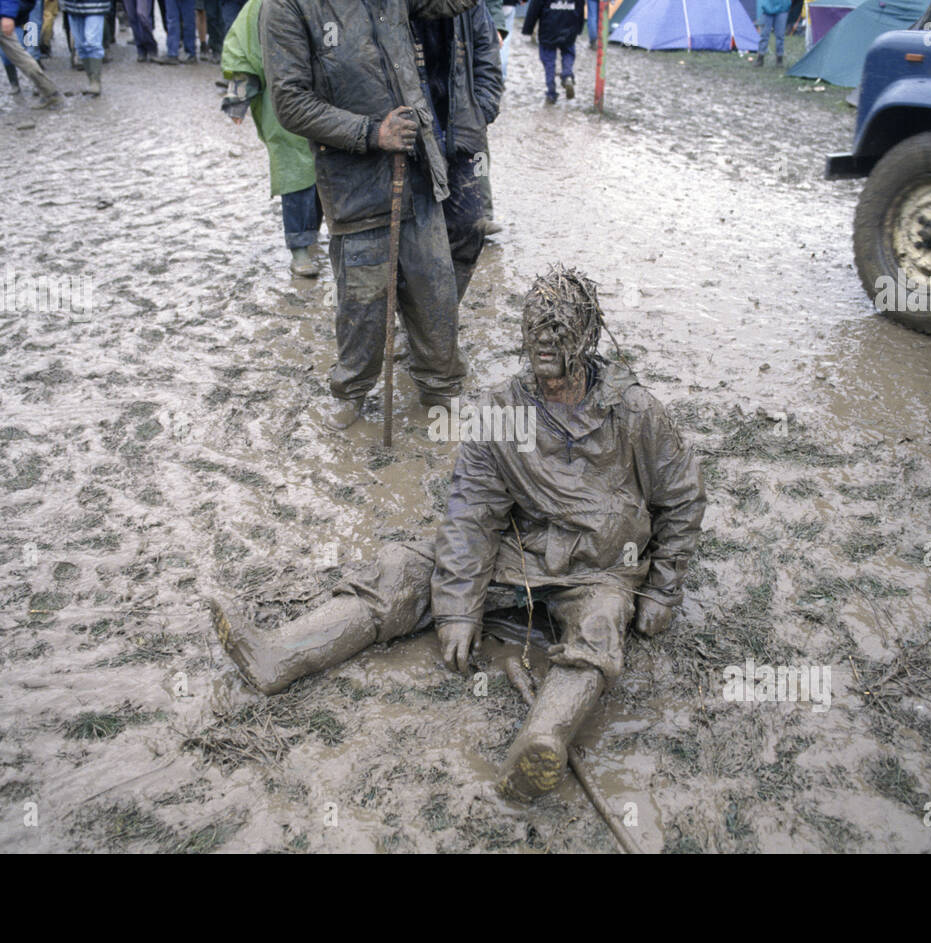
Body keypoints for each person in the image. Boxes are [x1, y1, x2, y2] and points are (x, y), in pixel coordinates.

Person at [210, 265, 706, 801]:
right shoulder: (499, 411)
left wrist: (661, 589)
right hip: (516, 550)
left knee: (601, 627)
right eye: (536, 324)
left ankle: (542, 741)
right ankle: (282, 653)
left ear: (587, 334)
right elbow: (471, 513)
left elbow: (681, 499)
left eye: (560, 327)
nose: (545, 337)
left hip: (598, 569)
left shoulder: (635, 411)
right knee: (404, 569)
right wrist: (457, 608)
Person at [264, 0, 478, 430]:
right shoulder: (286, 8)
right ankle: (351, 393)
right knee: (363, 306)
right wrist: (370, 133)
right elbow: (290, 102)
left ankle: (439, 388)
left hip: (418, 172)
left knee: (434, 291)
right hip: (354, 185)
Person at [221, 0, 324, 276]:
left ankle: (317, 234)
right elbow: (242, 45)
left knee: (328, 172)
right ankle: (300, 248)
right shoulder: (262, 4)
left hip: (330, 99)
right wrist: (238, 97)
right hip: (284, 101)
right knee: (296, 173)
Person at [411, 0, 501, 300]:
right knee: (414, 233)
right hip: (411, 134)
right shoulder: (394, 7)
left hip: (461, 127)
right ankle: (416, 315)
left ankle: (445, 308)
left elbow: (487, 53)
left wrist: (482, 109)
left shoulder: (468, 6)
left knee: (468, 226)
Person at [522, 0, 582, 106]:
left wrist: (528, 28)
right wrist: (579, 28)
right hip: (569, 27)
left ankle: (551, 92)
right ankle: (567, 75)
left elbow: (534, 8)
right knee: (568, 53)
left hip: (547, 29)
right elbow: (580, 7)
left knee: (548, 60)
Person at [61, 0, 107, 92]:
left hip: (95, 6)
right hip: (72, 7)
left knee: (92, 43)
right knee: (80, 46)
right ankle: (91, 79)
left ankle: (95, 81)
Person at [755, 0, 789, 67]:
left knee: (780, 35)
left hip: (782, 7)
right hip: (766, 7)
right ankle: (760, 58)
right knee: (764, 35)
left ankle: (779, 59)